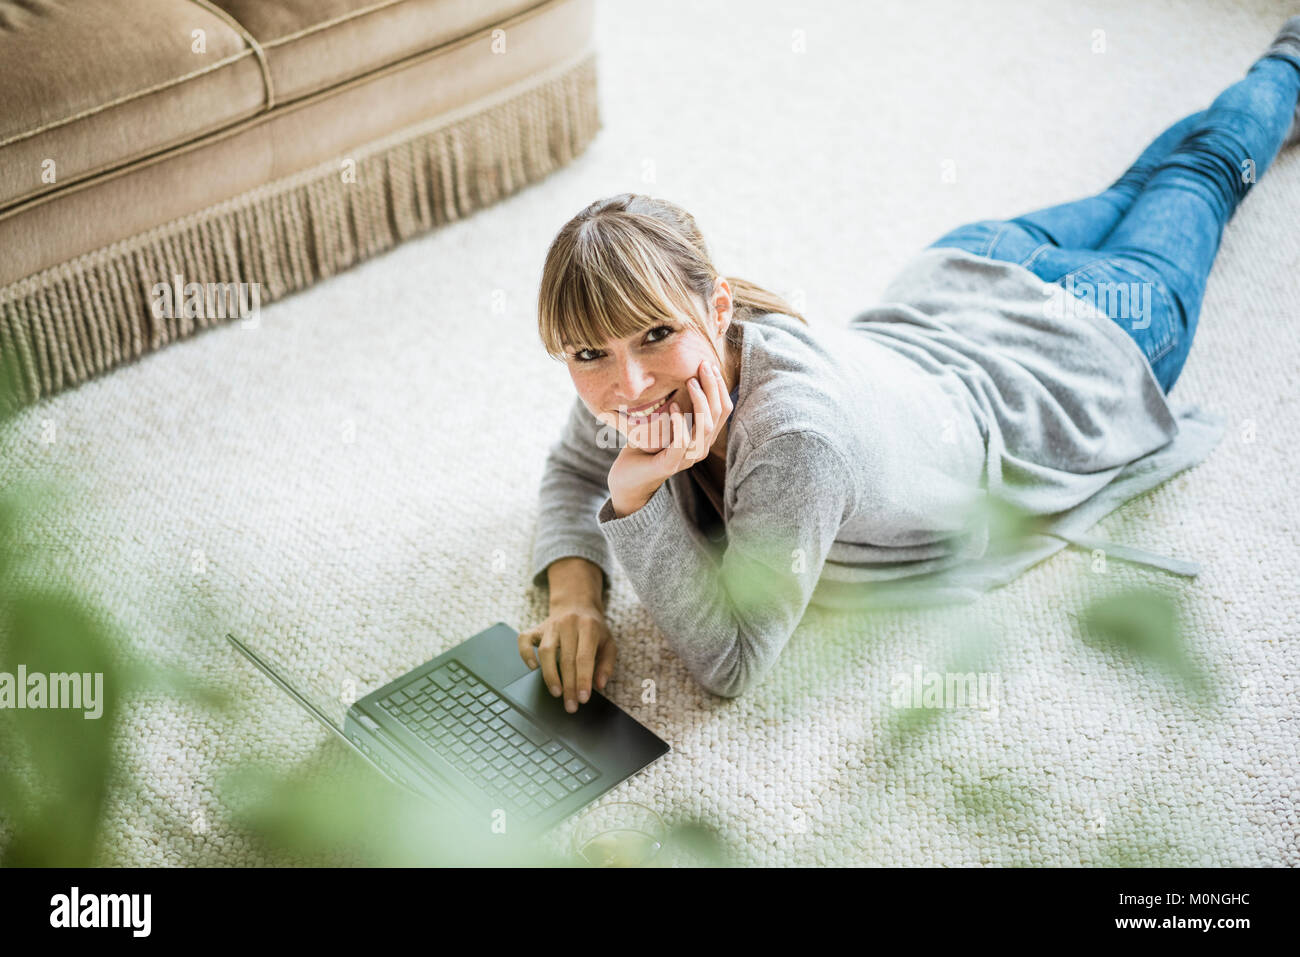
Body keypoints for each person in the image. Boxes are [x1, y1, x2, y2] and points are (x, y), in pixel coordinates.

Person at [521, 19, 1300, 708]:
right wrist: (575, 594)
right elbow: (569, 466)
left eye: (654, 334)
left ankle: (1290, 56)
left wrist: (635, 494)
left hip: (1087, 341)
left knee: (1204, 174)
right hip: (966, 268)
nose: (626, 385)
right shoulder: (642, 374)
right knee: (1155, 180)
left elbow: (731, 662)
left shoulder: (796, 438)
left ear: (719, 308)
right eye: (590, 353)